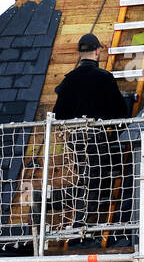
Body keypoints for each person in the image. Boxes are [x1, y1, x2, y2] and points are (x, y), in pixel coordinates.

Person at [52, 33, 131, 229]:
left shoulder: (69, 80)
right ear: (97, 52)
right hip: (98, 137)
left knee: (86, 177)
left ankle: (49, 202)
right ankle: (81, 225)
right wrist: (119, 130)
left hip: (76, 138)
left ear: (80, 54)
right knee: (94, 181)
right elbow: (120, 112)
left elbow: (58, 114)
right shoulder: (103, 78)